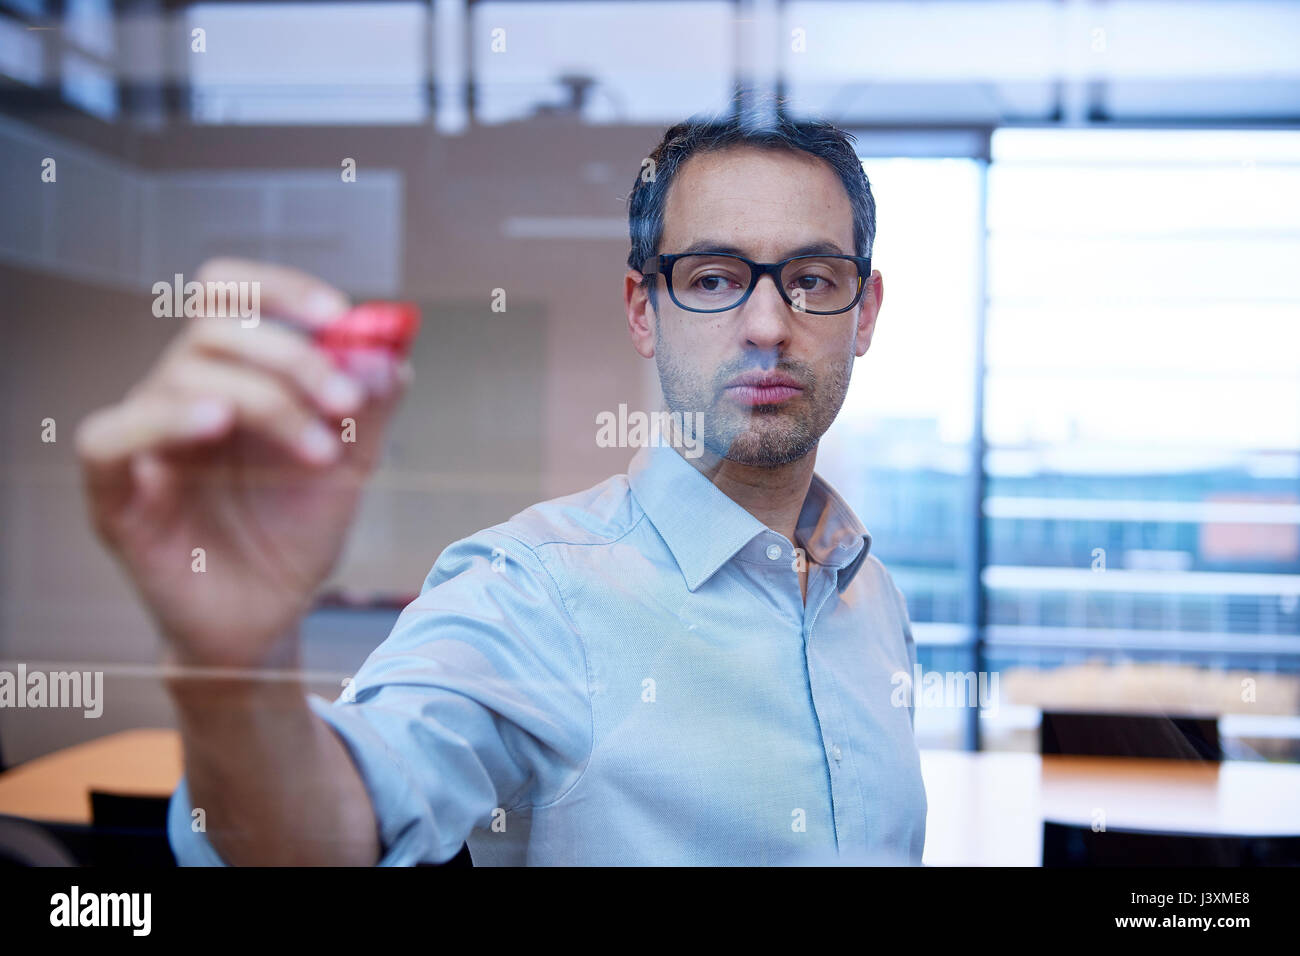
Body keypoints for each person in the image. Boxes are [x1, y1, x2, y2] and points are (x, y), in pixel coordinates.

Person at [75, 103, 927, 866]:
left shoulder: (871, 597)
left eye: (814, 280)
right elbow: (329, 835)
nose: (768, 326)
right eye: (713, 279)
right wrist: (231, 672)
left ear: (866, 312)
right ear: (642, 309)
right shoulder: (534, 595)